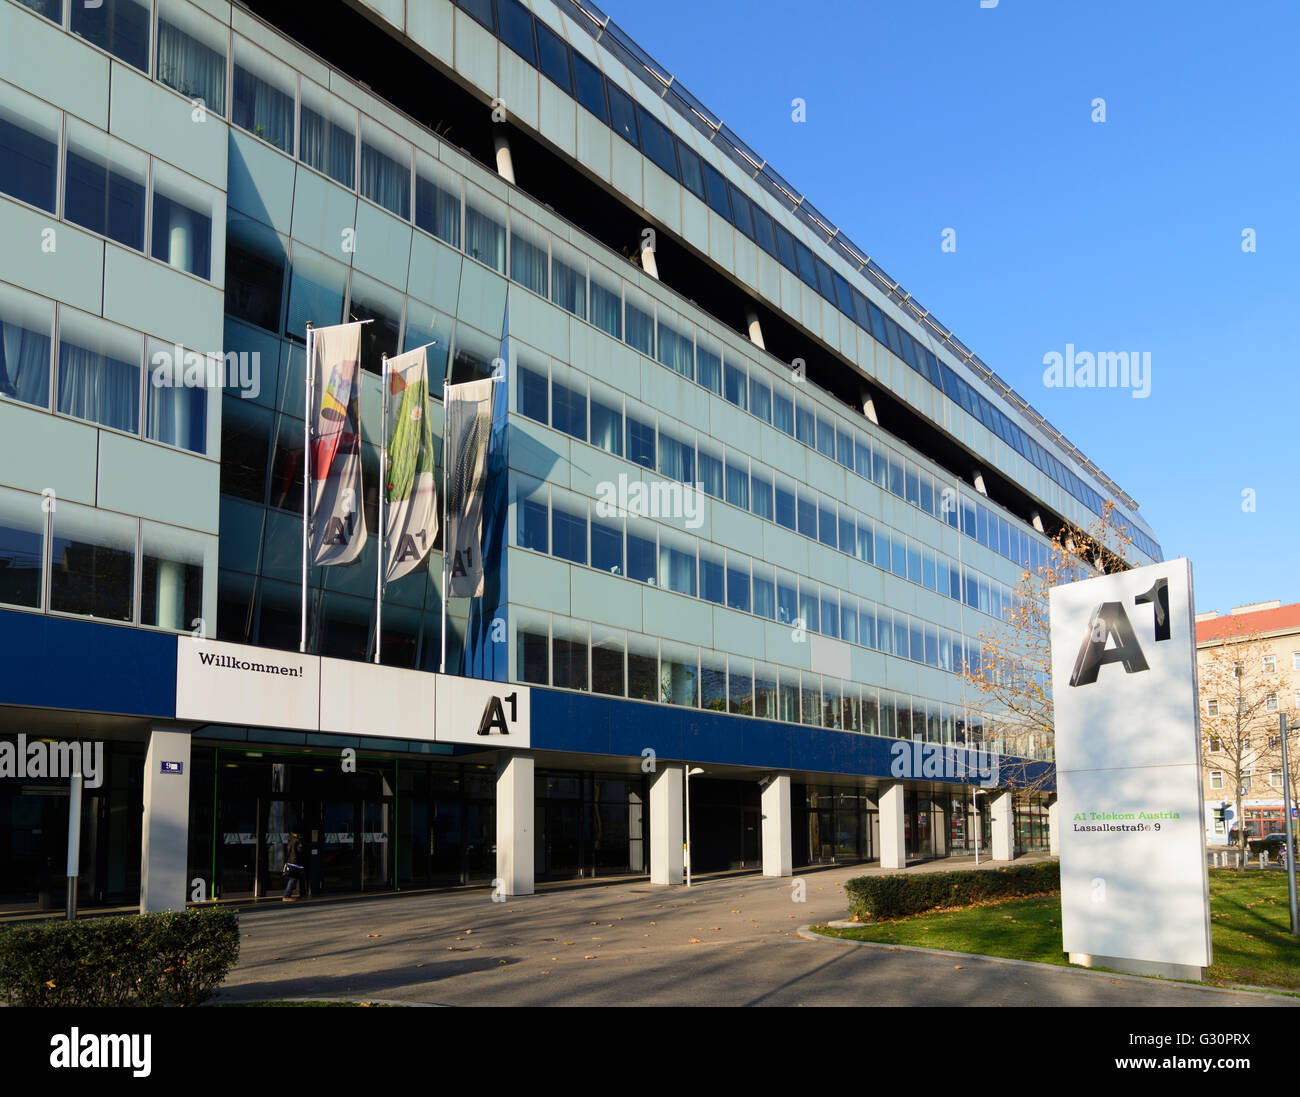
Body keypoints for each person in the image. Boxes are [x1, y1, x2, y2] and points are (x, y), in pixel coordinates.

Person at [282, 831, 306, 901]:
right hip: (296, 862)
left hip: (291, 862)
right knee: (293, 879)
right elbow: (300, 850)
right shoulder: (297, 841)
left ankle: (303, 894)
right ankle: (286, 896)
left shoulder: (290, 840)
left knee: (300, 878)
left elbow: (288, 852)